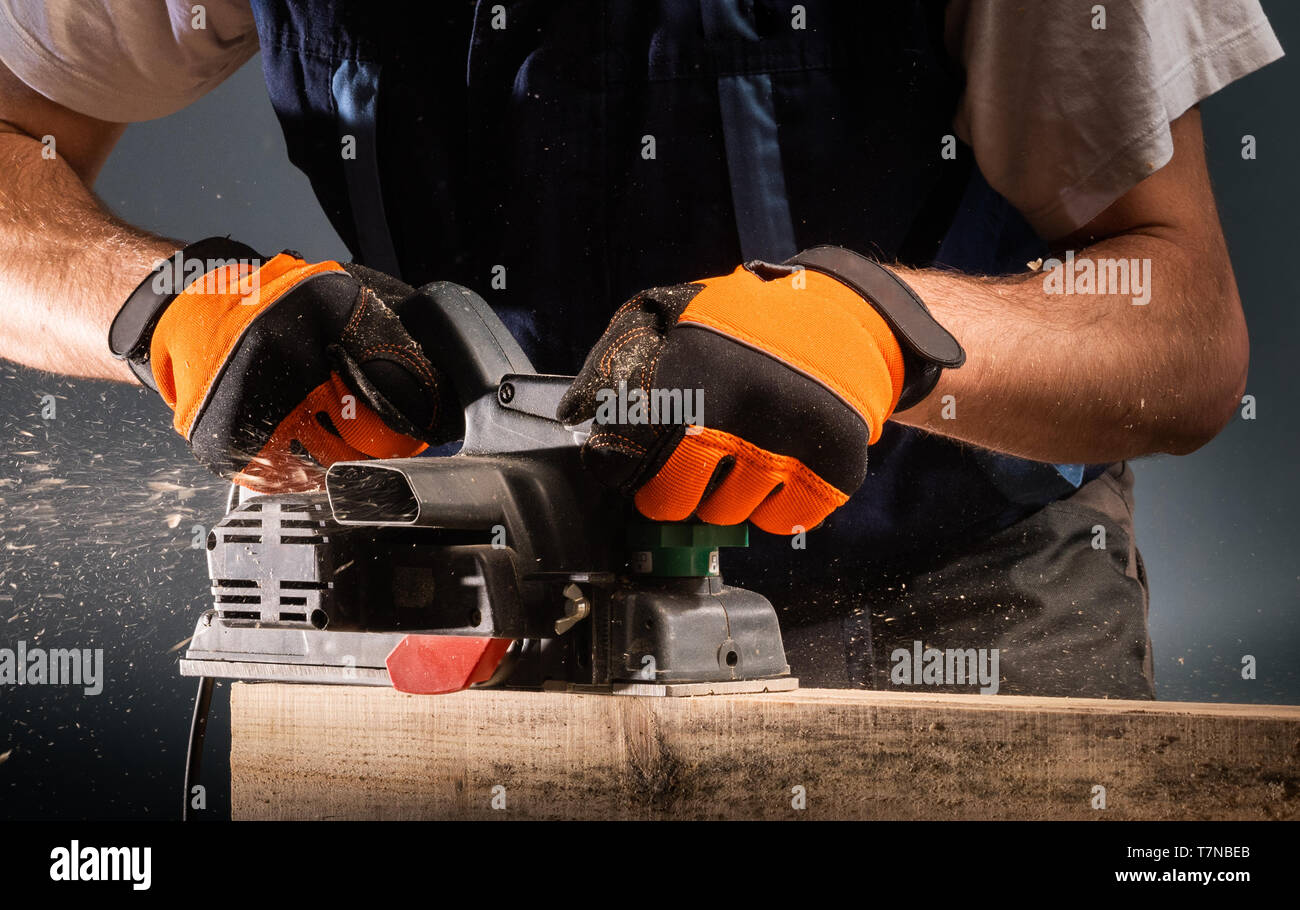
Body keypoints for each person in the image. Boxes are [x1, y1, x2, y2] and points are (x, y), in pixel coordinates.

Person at [0, 1, 1282, 697]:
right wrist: (160, 300)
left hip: (949, 598)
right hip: (505, 594)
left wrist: (891, 333)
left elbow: (1183, 329)